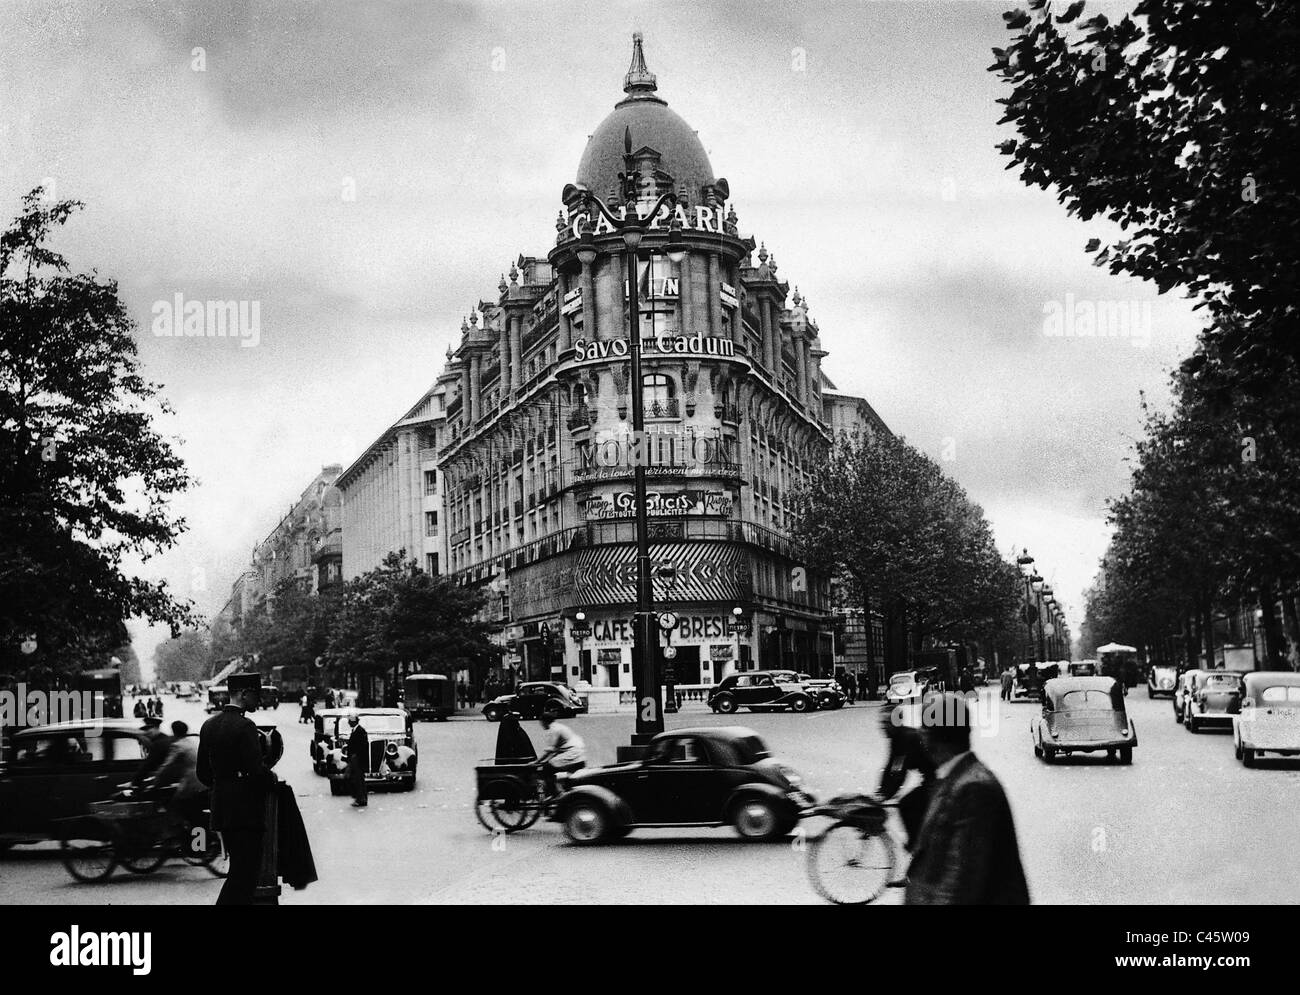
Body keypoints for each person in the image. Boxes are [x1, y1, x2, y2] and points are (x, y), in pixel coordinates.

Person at [904, 691, 1030, 905]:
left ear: (929, 737)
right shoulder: (956, 779)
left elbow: (961, 882)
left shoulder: (973, 788)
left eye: (923, 728)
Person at [197, 672, 273, 905]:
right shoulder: (245, 726)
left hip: (222, 808)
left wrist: (225, 785)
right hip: (246, 812)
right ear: (243, 694)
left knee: (239, 871)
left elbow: (202, 773)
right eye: (255, 695)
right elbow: (258, 771)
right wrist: (268, 774)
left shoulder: (209, 725)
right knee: (245, 876)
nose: (258, 701)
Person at [877, 701, 936, 849]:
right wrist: (881, 791)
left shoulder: (905, 738)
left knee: (907, 804)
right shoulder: (898, 737)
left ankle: (916, 846)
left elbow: (899, 772)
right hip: (931, 777)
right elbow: (890, 766)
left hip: (937, 779)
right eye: (881, 722)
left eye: (886, 722)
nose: (882, 726)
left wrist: (885, 794)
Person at [152, 721, 206, 830]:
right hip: (206, 782)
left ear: (174, 732)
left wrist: (155, 783)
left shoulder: (178, 745)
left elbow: (166, 767)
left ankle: (180, 833)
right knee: (198, 812)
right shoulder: (196, 740)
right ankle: (202, 839)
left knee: (176, 804)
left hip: (192, 784)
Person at [536, 713, 585, 797]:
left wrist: (537, 761)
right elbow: (555, 750)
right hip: (579, 755)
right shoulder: (559, 726)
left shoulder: (553, 730)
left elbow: (550, 750)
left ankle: (554, 794)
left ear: (544, 722)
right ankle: (561, 792)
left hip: (572, 755)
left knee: (547, 769)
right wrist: (544, 760)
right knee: (550, 766)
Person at [132, 715, 172, 790]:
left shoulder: (159, 743)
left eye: (150, 729)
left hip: (164, 777)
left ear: (157, 728)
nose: (147, 732)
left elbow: (148, 764)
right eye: (146, 729)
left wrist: (135, 782)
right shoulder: (163, 739)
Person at [345, 711, 368, 808]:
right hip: (355, 758)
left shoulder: (359, 731)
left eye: (349, 721)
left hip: (357, 759)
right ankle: (361, 798)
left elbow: (362, 746)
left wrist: (355, 756)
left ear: (353, 722)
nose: (348, 723)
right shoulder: (356, 730)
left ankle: (360, 798)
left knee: (357, 779)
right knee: (357, 779)